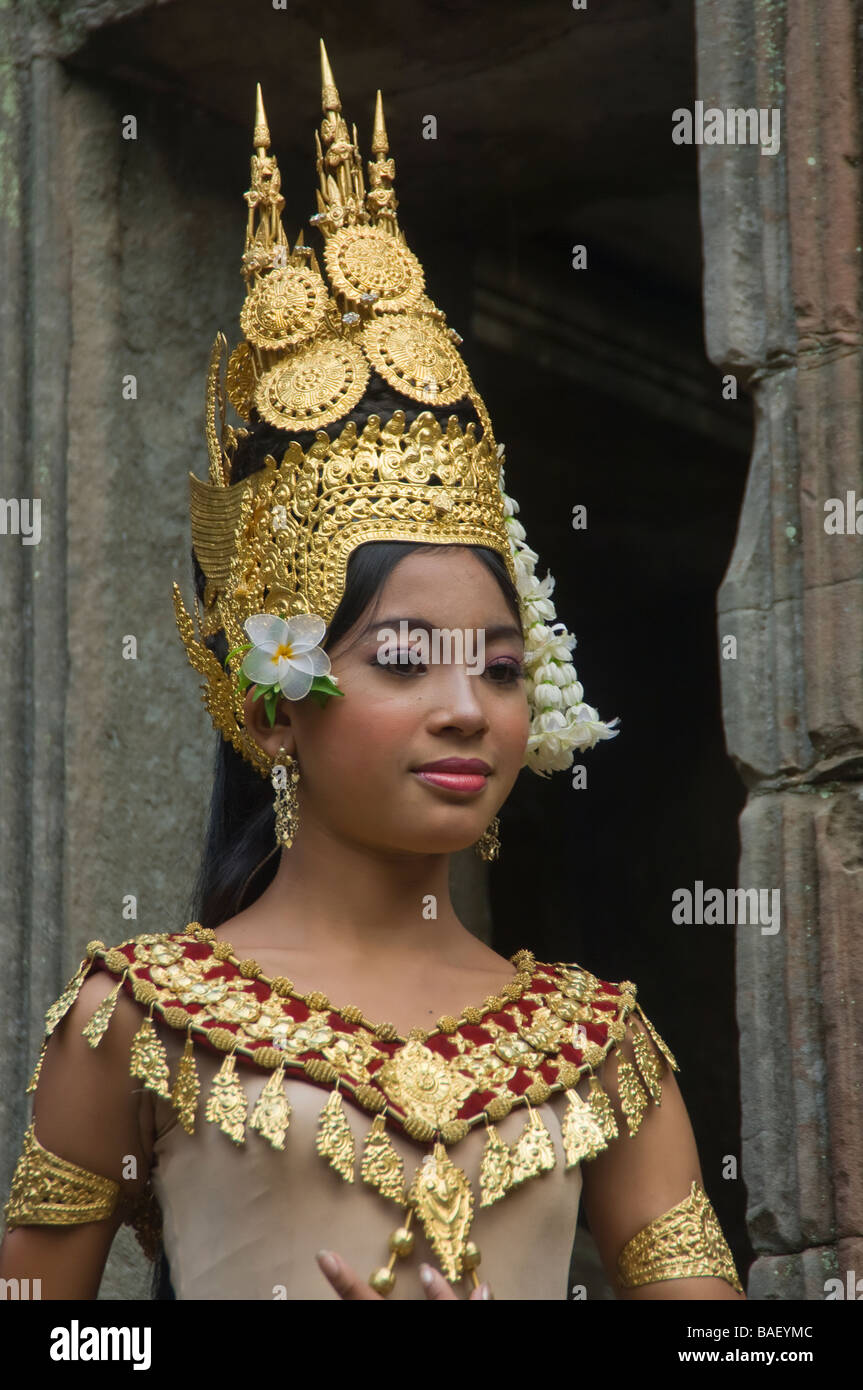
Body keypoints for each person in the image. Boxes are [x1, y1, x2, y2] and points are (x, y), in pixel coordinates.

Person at [0, 41, 745, 1303]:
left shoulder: (596, 1045)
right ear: (274, 705)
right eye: (404, 659)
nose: (467, 706)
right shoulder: (140, 1019)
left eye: (500, 668)